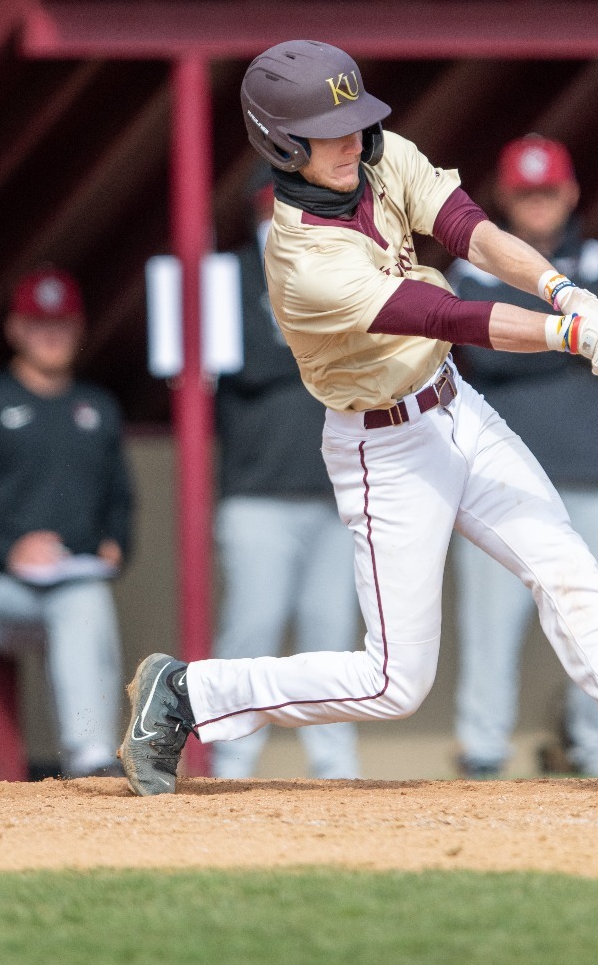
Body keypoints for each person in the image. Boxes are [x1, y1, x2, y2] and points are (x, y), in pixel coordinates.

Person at [119, 39, 598, 796]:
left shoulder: (378, 157)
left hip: (454, 407)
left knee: (561, 558)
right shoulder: (305, 260)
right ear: (279, 139)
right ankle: (186, 694)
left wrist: (566, 291)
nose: (351, 140)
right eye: (327, 128)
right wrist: (571, 335)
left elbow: (470, 230)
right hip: (385, 448)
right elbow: (444, 313)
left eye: (354, 120)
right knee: (391, 682)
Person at [449, 135, 598, 779]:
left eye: (549, 191)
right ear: (504, 197)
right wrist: (572, 341)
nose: (538, 204)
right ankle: (482, 752)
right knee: (489, 625)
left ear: (571, 193)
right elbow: (481, 353)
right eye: (526, 193)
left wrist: (534, 338)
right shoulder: (471, 269)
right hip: (497, 481)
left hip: (594, 474)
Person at [0, 268, 133, 779]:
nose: (52, 336)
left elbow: (121, 502)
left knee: (84, 597)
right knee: (83, 603)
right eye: (40, 324)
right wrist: (10, 550)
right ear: (16, 330)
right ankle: (90, 756)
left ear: (79, 328)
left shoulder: (98, 408)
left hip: (75, 578)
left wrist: (116, 545)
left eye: (62, 324)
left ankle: (90, 753)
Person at [210, 173, 361, 780]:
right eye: (271, 207)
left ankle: (334, 762)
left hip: (335, 488)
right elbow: (245, 361)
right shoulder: (230, 278)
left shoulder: (343, 266)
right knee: (253, 624)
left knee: (333, 632)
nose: (282, 217)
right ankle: (230, 758)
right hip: (257, 490)